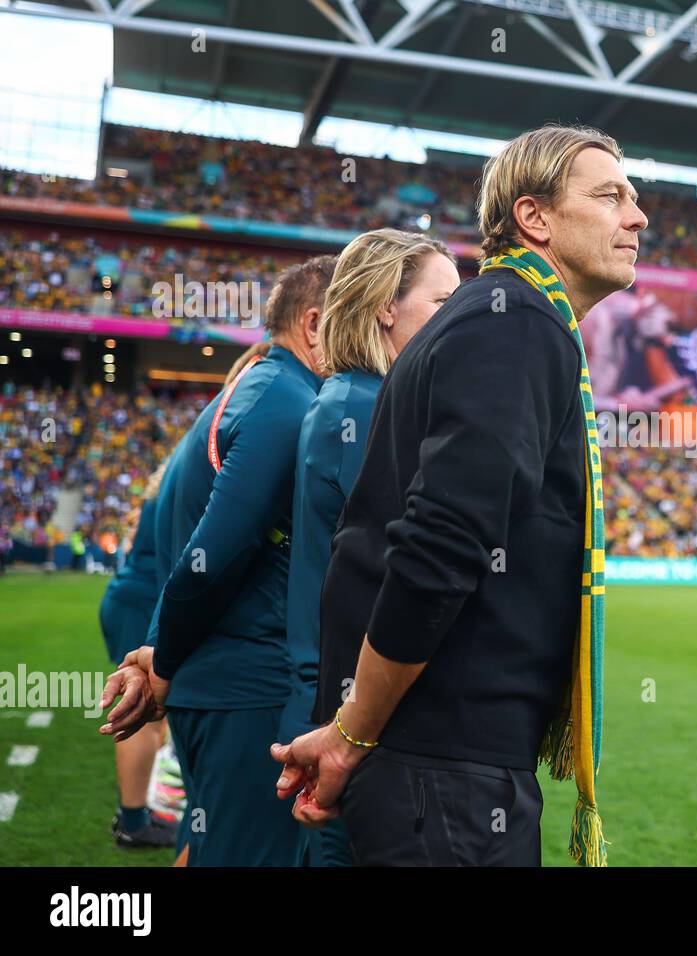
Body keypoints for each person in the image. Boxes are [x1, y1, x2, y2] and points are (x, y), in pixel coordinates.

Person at [272, 124, 647, 867]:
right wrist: (353, 734)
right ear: (533, 217)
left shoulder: (500, 319)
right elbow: (442, 541)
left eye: (634, 199)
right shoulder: (516, 326)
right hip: (444, 765)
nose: (636, 216)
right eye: (609, 196)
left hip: (442, 758)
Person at [100, 255, 336, 866]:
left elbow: (193, 551)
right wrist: (164, 659)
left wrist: (162, 651)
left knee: (212, 848)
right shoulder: (284, 401)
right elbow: (208, 557)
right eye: (357, 317)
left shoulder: (257, 388)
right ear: (314, 325)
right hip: (246, 688)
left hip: (223, 680)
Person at [280, 229, 460, 866]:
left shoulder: (357, 398)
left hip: (342, 703)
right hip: (346, 715)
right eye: (443, 304)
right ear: (386, 306)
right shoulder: (363, 405)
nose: (458, 321)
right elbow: (416, 566)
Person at [97, 462, 176, 849]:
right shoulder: (180, 482)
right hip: (142, 600)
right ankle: (132, 821)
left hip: (135, 596)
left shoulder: (163, 487)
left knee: (154, 710)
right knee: (141, 708)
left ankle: (140, 809)